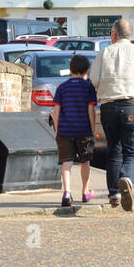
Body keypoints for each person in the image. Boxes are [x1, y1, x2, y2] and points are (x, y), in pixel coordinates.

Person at [90, 19, 134, 211]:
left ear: (113, 35)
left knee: (113, 151)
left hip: (109, 107)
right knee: (132, 152)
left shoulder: (105, 52)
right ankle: (127, 178)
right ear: (130, 35)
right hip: (131, 105)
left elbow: (94, 79)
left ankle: (114, 194)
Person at [51, 54, 99, 208]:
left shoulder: (62, 88)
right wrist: (92, 129)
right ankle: (85, 192)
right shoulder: (88, 87)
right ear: (87, 70)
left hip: (65, 130)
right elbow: (91, 110)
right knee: (85, 161)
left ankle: (67, 192)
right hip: (84, 130)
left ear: (71, 70)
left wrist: (58, 130)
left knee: (67, 162)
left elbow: (55, 112)